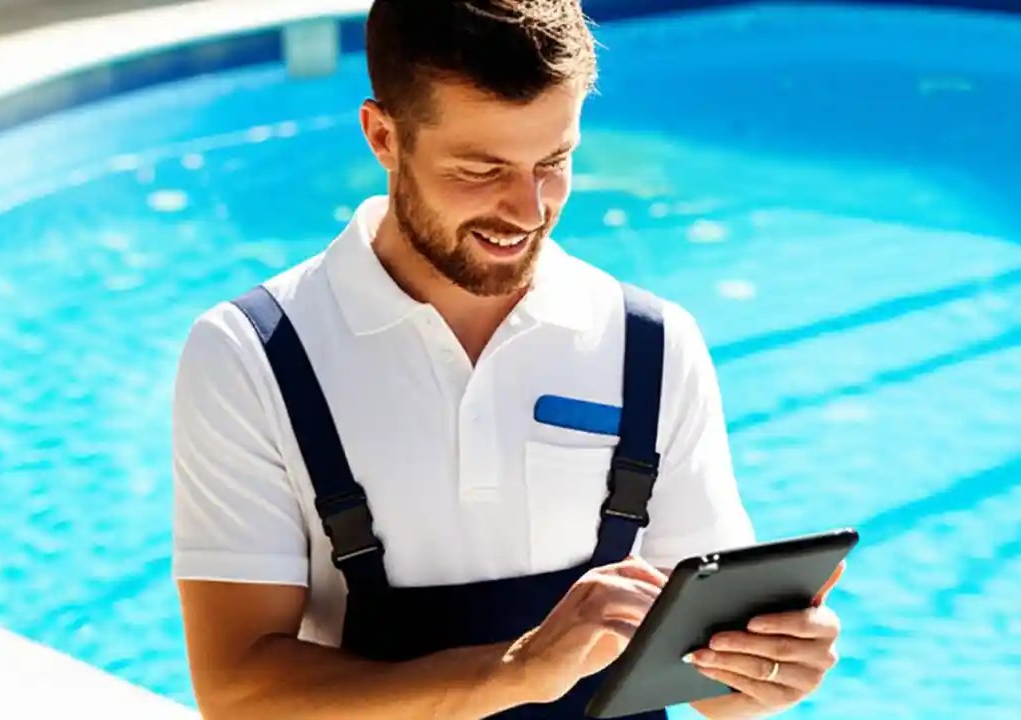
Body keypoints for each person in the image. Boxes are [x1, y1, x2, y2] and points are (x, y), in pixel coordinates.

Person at [170, 1, 843, 717]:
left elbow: (712, 686)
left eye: (553, 163)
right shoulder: (254, 355)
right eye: (481, 169)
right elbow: (237, 694)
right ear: (383, 137)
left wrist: (767, 671)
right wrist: (513, 674)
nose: (527, 209)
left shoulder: (651, 344)